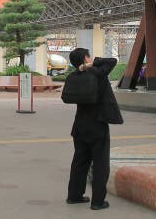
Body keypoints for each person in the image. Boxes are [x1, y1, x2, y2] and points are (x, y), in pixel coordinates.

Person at [66, 48, 123, 211]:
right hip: (98, 124)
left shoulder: (74, 76)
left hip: (79, 126)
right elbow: (112, 61)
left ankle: (74, 196)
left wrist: (82, 66)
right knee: (100, 164)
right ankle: (98, 201)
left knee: (79, 162)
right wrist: (91, 64)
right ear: (86, 58)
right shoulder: (97, 73)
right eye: (88, 56)